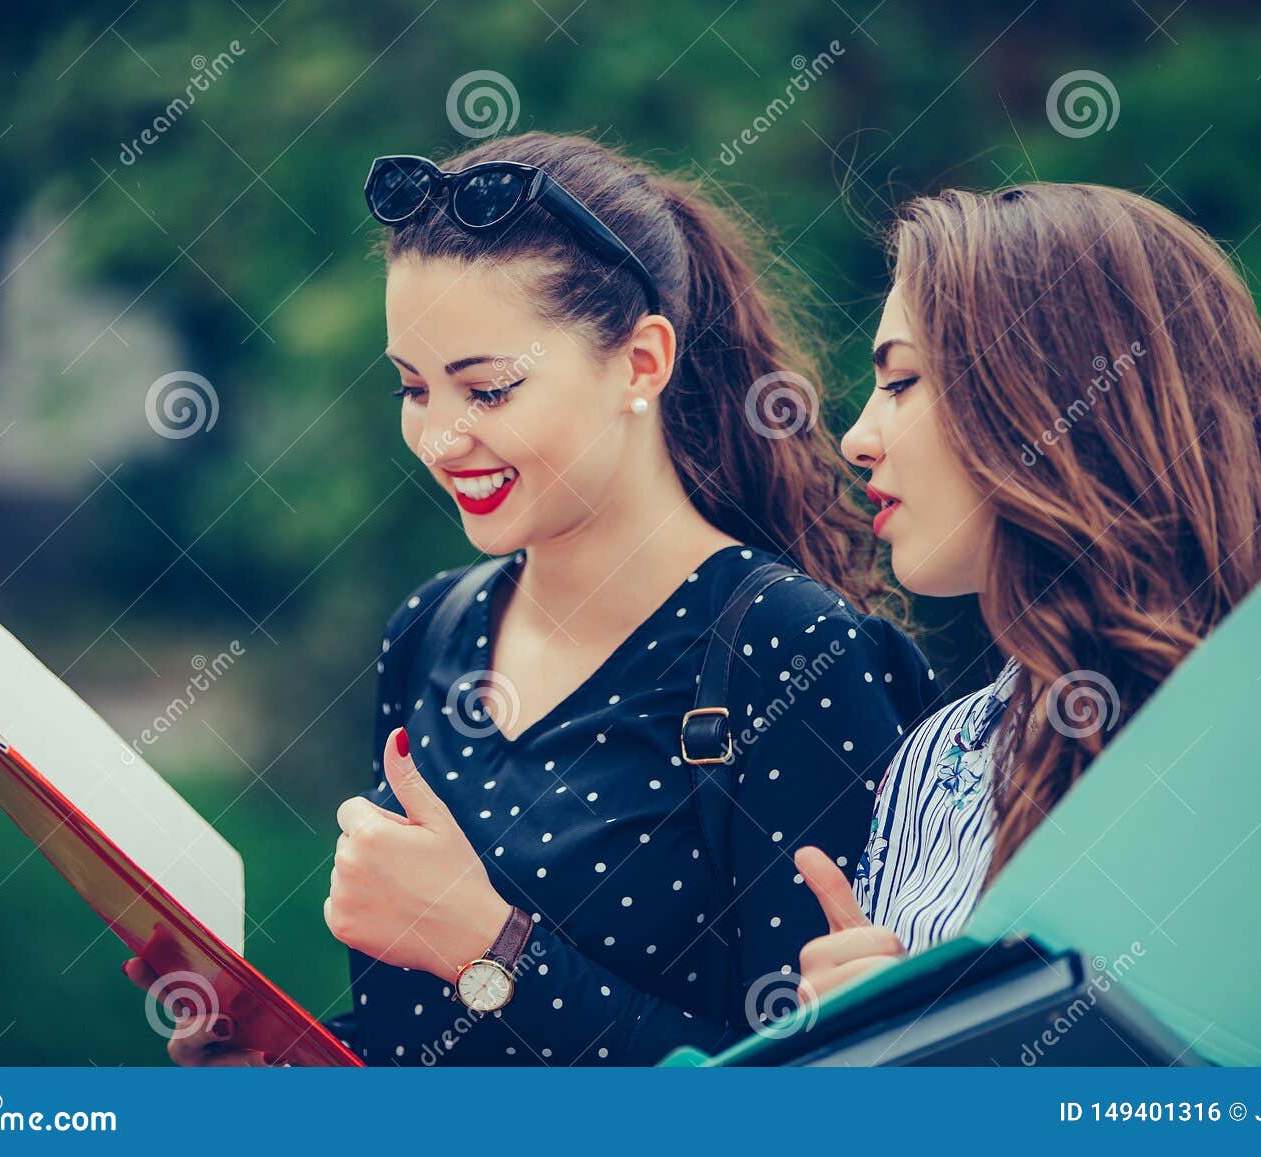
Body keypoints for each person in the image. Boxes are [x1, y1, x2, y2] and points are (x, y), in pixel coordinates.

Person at [125, 132, 937, 1065]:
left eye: (488, 388)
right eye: (413, 388)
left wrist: (488, 944)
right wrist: (286, 1060)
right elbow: (429, 1045)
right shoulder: (431, 630)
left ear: (640, 363)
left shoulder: (793, 652)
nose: (438, 438)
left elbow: (811, 1090)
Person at [787, 182, 1261, 1065]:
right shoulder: (935, 757)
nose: (857, 435)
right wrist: (864, 1039)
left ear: (1052, 397)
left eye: (901, 379)